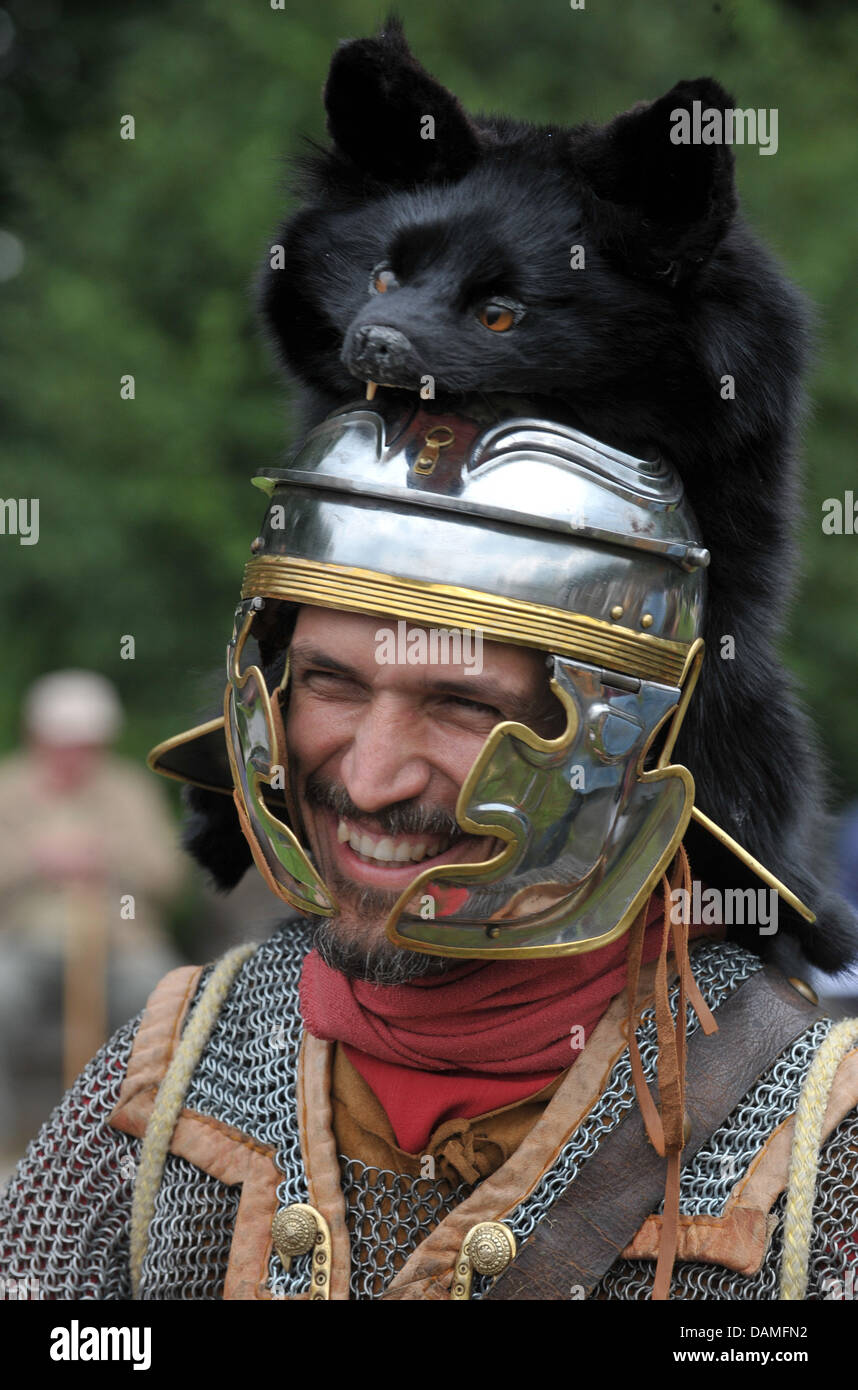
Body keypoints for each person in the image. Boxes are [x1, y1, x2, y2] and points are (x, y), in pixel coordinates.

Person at [1, 400, 857, 1301]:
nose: (370, 781)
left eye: (462, 705)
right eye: (330, 681)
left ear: (621, 742)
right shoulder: (180, 1059)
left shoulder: (813, 1138)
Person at [0, 671, 185, 1156]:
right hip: (21, 940)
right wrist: (34, 861)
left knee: (162, 996)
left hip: (121, 943)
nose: (75, 756)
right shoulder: (8, 788)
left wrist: (110, 857)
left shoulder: (127, 791)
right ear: (37, 737)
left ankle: (146, 1138)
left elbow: (168, 875)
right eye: (64, 743)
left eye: (86, 744)